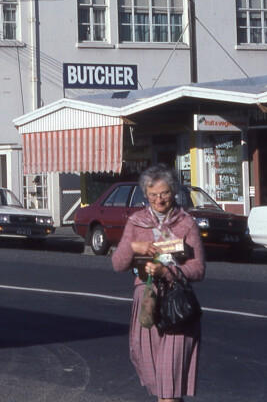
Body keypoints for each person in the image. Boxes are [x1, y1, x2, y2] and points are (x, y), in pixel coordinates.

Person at [112, 165, 206, 402]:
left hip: (177, 306)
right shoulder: (136, 222)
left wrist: (167, 271)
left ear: (173, 191)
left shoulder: (186, 223)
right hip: (147, 304)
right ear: (145, 193)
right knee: (160, 386)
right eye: (152, 194)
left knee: (169, 386)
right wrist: (133, 246)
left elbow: (198, 269)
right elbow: (118, 264)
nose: (159, 200)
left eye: (164, 193)